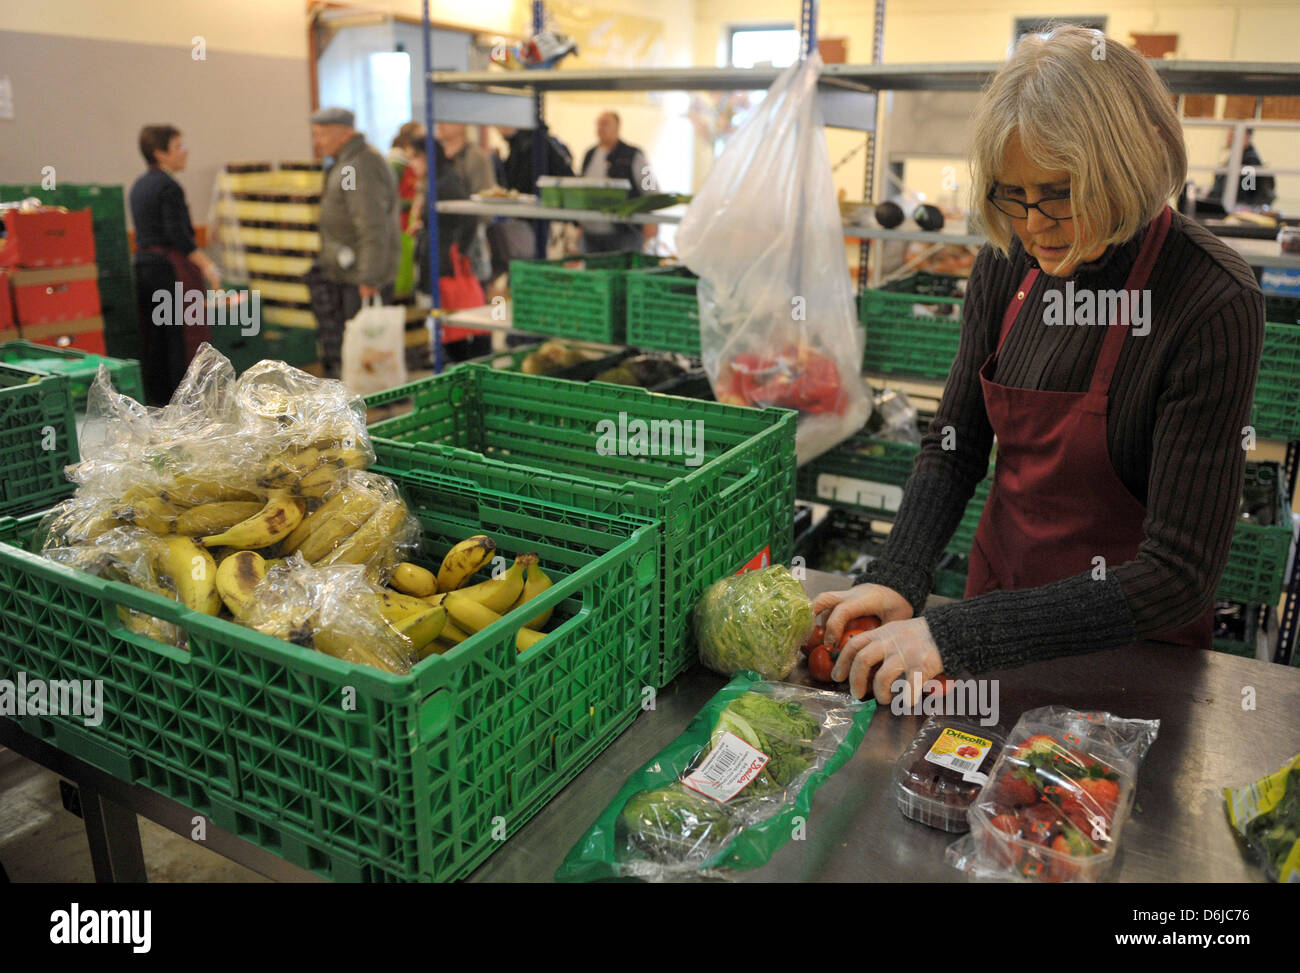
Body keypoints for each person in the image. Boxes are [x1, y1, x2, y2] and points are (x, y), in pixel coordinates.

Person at [818, 26, 1265, 707]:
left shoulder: (1211, 300)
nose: (1033, 223)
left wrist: (959, 633)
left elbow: (1179, 573)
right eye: (1010, 193)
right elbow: (954, 445)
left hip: (1130, 662)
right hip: (989, 618)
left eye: (1058, 193)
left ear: (1127, 168)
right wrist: (900, 573)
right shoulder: (1007, 261)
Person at [129, 124, 222, 405]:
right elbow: (179, 236)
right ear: (160, 153)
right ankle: (185, 407)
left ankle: (158, 406)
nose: (185, 152)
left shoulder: (139, 186)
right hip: (169, 270)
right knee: (180, 339)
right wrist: (207, 266)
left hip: (143, 267)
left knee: (154, 339)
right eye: (178, 146)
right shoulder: (168, 186)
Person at [305, 106, 399, 378]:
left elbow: (372, 226)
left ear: (342, 134)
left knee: (365, 352)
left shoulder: (357, 167)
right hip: (349, 273)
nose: (316, 142)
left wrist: (369, 278)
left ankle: (369, 403)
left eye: (320, 134)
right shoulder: (348, 163)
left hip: (361, 278)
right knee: (352, 351)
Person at [406, 138, 489, 361]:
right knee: (453, 325)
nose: (411, 163)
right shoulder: (437, 180)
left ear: (426, 157)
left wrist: (459, 249)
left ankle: (465, 370)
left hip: (447, 264)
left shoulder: (444, 183)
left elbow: (468, 217)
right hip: (443, 259)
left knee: (454, 325)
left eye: (414, 157)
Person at [579, 111, 657, 254]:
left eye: (605, 123)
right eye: (598, 123)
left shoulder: (634, 155)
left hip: (625, 232)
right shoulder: (589, 155)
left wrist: (650, 219)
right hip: (591, 234)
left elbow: (651, 187)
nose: (601, 128)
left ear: (617, 127)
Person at [1208, 128, 1277, 210]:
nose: (1228, 139)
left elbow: (1247, 193)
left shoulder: (1250, 161)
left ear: (1246, 136)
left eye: (1232, 135)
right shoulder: (1237, 158)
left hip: (1234, 209)